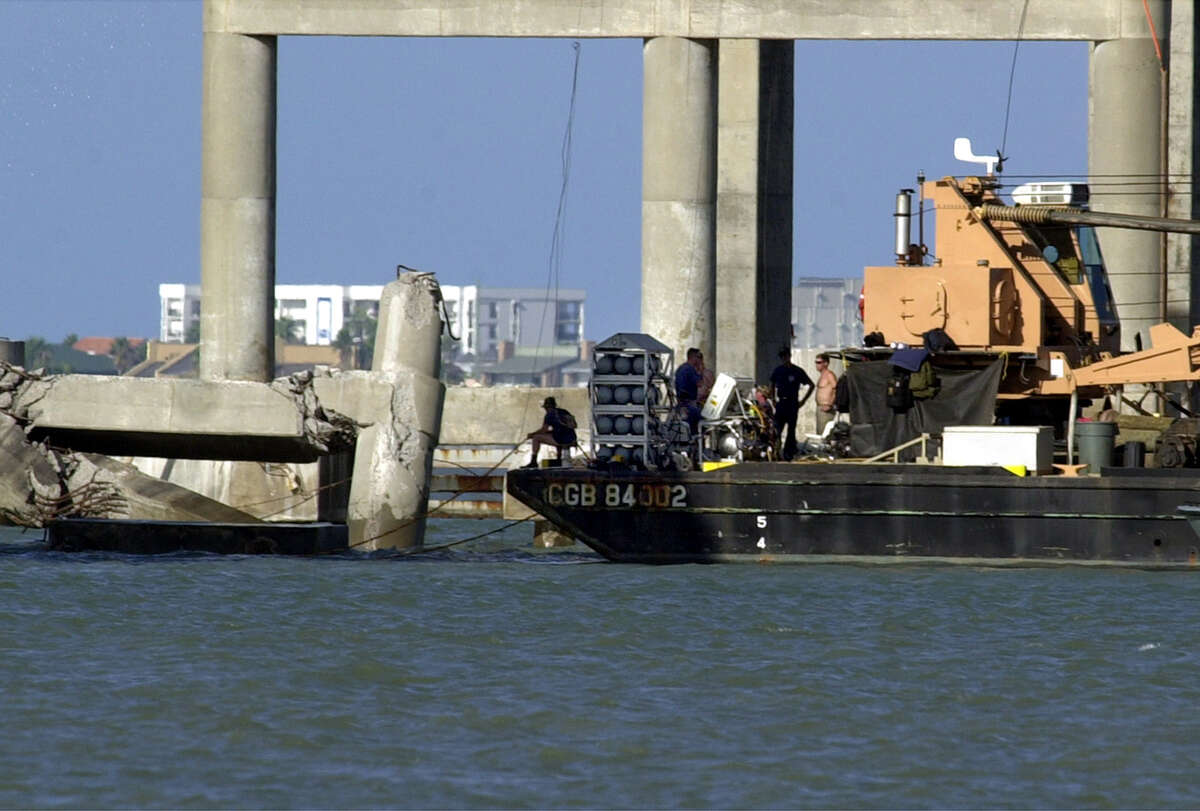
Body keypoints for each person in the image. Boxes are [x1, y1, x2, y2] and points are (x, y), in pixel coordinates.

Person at [769, 348, 814, 461]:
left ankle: (788, 452)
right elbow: (772, 384)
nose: (784, 359)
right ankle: (776, 451)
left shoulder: (797, 371)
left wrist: (803, 401)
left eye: (785, 356)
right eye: (782, 357)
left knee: (791, 430)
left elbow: (811, 385)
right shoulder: (778, 370)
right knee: (777, 428)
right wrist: (773, 399)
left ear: (789, 356)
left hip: (792, 402)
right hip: (781, 402)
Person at [523, 396, 577, 468]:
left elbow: (543, 430)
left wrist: (532, 435)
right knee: (554, 434)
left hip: (561, 439)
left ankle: (533, 462)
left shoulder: (549, 414)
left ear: (547, 407)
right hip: (572, 438)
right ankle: (559, 459)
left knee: (536, 438)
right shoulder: (564, 411)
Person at [674, 347, 705, 436]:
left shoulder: (681, 368)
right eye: (698, 357)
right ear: (694, 357)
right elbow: (700, 383)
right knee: (704, 423)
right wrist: (701, 367)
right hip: (689, 405)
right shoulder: (690, 369)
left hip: (681, 404)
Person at [814, 353, 838, 435]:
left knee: (825, 433)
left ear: (826, 363)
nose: (817, 365)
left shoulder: (829, 375)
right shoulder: (822, 375)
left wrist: (830, 404)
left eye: (819, 362)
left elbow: (836, 389)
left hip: (827, 409)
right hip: (820, 408)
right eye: (816, 362)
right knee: (820, 432)